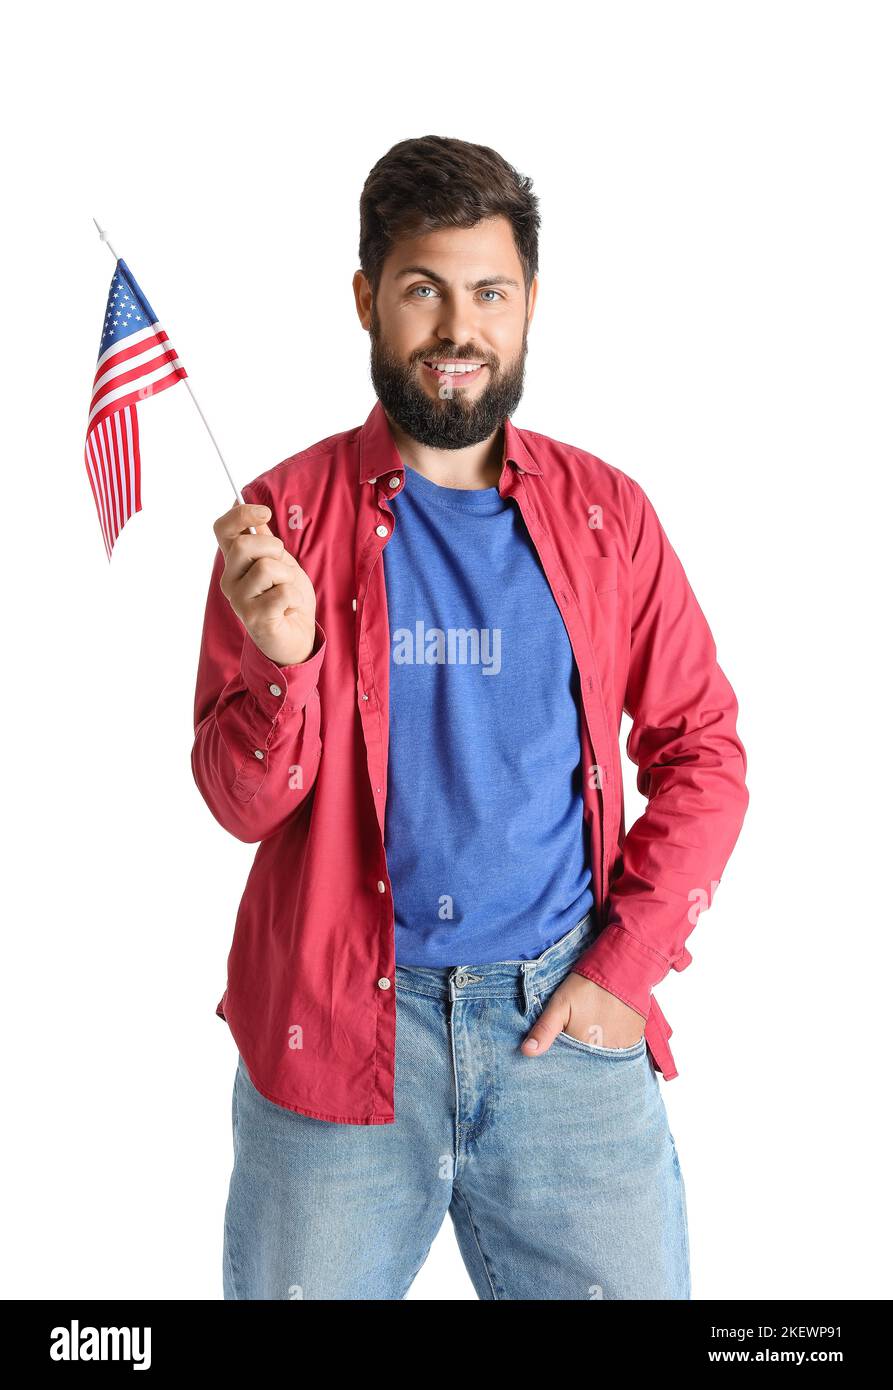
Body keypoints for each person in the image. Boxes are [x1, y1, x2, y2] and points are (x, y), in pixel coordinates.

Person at [191, 134, 749, 1300]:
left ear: (530, 304)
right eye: (422, 291)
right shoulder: (278, 521)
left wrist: (624, 967)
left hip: (564, 1028)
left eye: (488, 293)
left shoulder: (607, 517)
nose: (458, 330)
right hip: (336, 1034)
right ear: (366, 300)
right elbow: (240, 804)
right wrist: (287, 658)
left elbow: (702, 752)